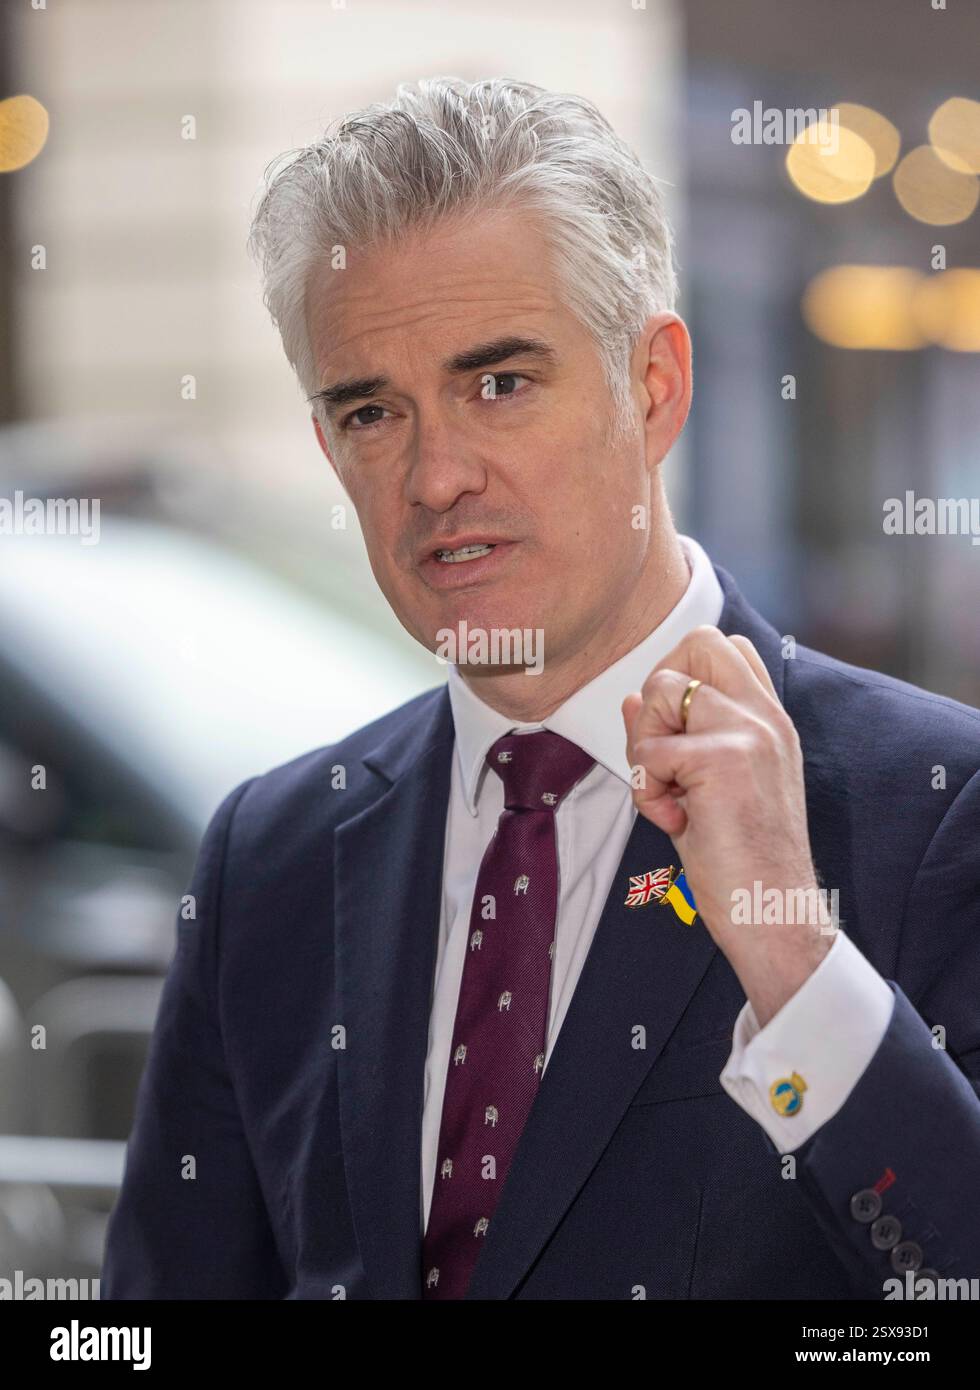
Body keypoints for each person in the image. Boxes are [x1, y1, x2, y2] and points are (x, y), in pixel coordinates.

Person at [101, 77, 980, 1300]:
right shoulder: (270, 855)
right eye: (371, 410)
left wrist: (792, 953)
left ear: (654, 386)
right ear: (326, 447)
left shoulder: (937, 809)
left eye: (498, 384)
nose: (434, 475)